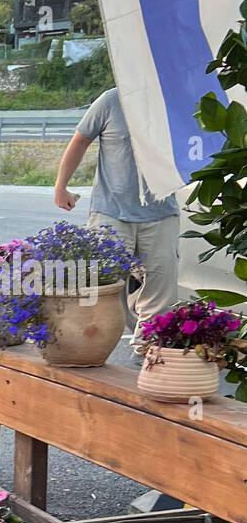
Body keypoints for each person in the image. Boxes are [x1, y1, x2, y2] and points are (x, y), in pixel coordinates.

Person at [54, 86, 181, 336]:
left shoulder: (174, 99)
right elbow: (80, 139)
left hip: (161, 212)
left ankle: (146, 351)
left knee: (161, 289)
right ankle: (90, 346)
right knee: (101, 285)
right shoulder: (111, 100)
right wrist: (61, 186)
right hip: (111, 211)